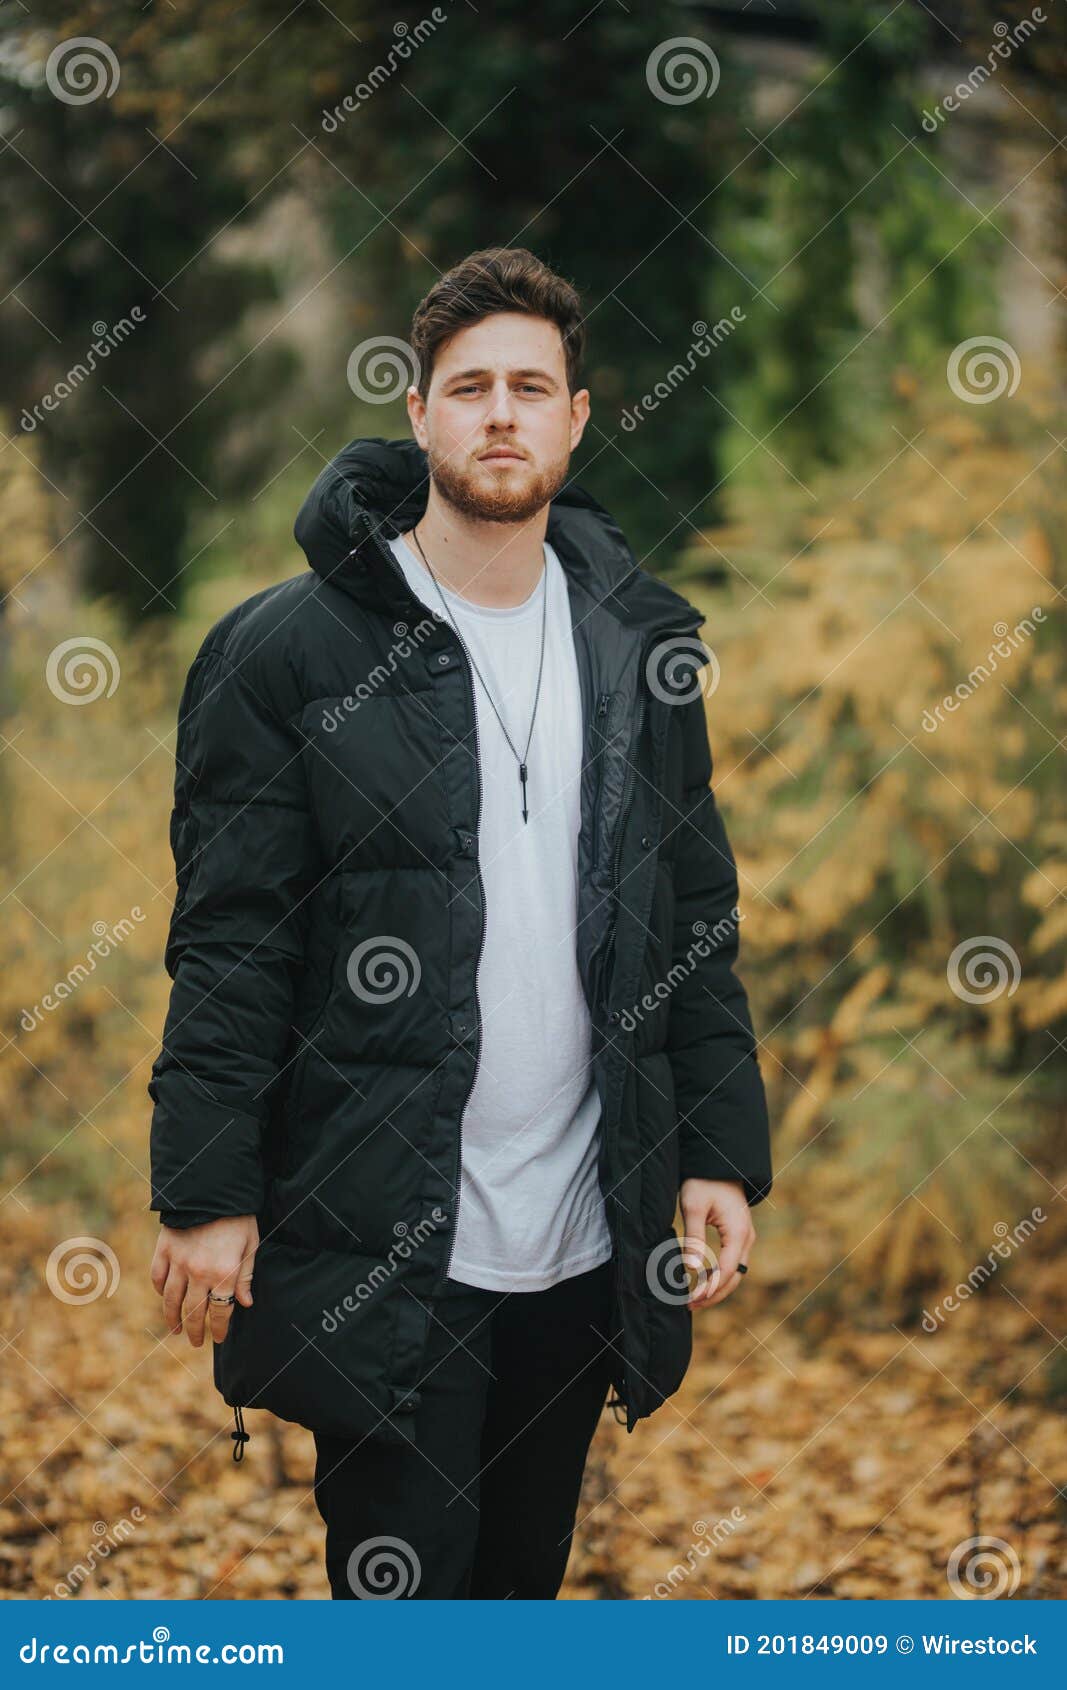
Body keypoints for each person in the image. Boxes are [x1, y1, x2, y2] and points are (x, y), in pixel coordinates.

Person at [147, 245, 772, 1599]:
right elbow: (234, 940)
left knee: (519, 1597)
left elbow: (694, 915)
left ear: (578, 417)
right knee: (407, 1609)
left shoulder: (639, 649)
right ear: (418, 413)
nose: (502, 413)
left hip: (582, 1235)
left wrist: (717, 1154)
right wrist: (207, 1192)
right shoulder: (290, 653)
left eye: (531, 387)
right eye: (470, 386)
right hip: (388, 1241)